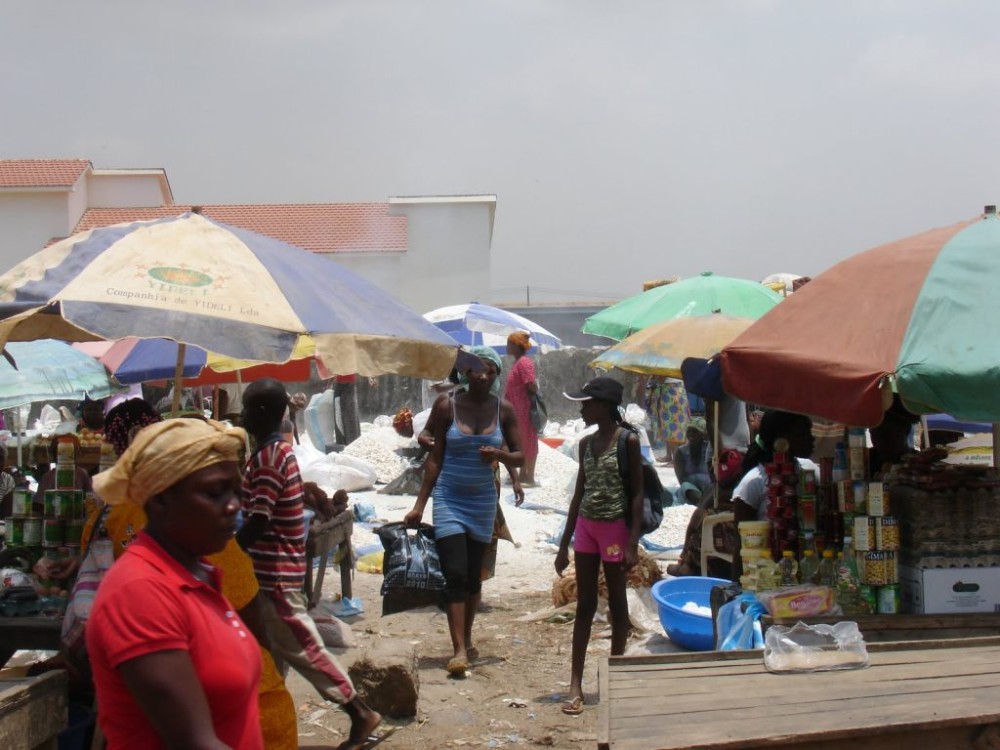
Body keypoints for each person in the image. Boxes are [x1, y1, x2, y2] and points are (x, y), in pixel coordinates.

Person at [79, 405, 299, 750]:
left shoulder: (202, 575)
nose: (233, 507)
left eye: (236, 493)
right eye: (214, 493)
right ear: (162, 498)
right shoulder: (140, 594)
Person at [238, 378, 381, 750]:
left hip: (274, 576)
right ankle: (267, 728)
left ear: (264, 413)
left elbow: (258, 519)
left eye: (249, 409)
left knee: (305, 650)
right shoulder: (274, 453)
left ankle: (360, 712)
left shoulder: (270, 457)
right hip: (273, 573)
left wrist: (230, 550)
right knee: (270, 656)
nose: (243, 416)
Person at [404, 346, 524, 676]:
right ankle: (458, 649)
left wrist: (499, 455)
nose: (483, 376)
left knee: (473, 576)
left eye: (490, 371)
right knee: (455, 573)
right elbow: (436, 460)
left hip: (483, 500)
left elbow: (520, 456)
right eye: (477, 370)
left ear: (497, 375)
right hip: (449, 498)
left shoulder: (505, 410)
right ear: (465, 373)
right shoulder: (447, 406)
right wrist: (419, 506)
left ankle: (467, 639)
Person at [554, 377, 643, 716]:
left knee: (618, 607)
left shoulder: (628, 441)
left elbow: (637, 494)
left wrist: (632, 543)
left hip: (615, 533)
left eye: (586, 403)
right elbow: (579, 493)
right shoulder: (586, 444)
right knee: (585, 606)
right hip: (587, 530)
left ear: (603, 405)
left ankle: (615, 677)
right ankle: (575, 684)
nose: (581, 408)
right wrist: (564, 544)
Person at [731, 410, 816, 580]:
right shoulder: (754, 482)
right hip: (766, 579)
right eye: (802, 433)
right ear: (782, 439)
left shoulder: (810, 471)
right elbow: (742, 548)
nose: (811, 438)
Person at [505, 331, 541, 485]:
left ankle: (529, 476)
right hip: (516, 409)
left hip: (524, 409)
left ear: (515, 345)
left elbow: (531, 385)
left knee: (528, 441)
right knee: (521, 441)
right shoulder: (518, 362)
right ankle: (523, 474)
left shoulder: (524, 362)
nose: (507, 347)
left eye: (509, 344)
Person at [673, 416, 712, 504]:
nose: (691, 434)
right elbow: (681, 479)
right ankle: (703, 503)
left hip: (708, 488)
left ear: (703, 434)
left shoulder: (709, 450)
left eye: (695, 432)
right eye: (689, 431)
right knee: (685, 487)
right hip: (691, 490)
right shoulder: (681, 452)